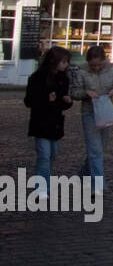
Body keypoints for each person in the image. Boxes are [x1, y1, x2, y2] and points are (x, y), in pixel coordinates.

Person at [69, 45, 113, 191]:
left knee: (99, 149)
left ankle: (83, 175)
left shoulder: (111, 68)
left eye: (99, 65)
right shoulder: (82, 70)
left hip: (105, 111)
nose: (96, 68)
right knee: (95, 149)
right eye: (93, 65)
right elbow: (74, 92)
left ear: (104, 61)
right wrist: (86, 93)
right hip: (89, 112)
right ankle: (97, 185)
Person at [24, 46, 74, 198]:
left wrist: (67, 101)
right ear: (54, 61)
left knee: (52, 154)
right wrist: (46, 99)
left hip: (55, 122)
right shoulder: (37, 78)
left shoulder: (63, 78)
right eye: (64, 62)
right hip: (41, 122)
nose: (66, 65)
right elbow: (29, 101)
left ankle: (44, 182)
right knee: (44, 155)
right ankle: (41, 188)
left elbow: (64, 102)